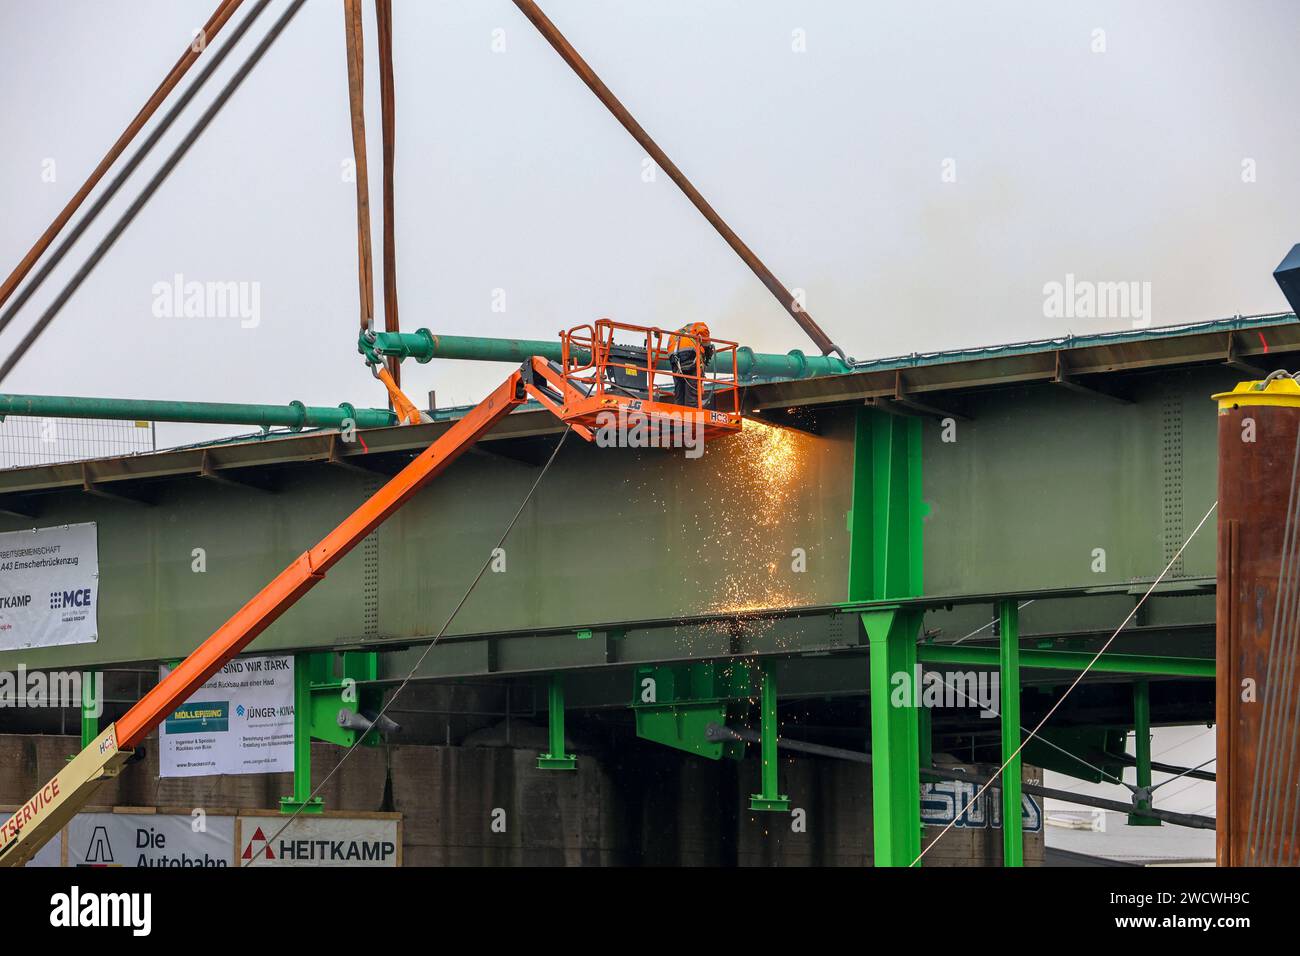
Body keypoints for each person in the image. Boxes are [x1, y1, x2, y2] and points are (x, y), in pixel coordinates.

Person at [667, 321, 714, 407]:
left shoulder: (675, 334)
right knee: (692, 391)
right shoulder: (699, 326)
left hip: (675, 361)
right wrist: (707, 351)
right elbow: (705, 337)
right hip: (690, 357)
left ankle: (679, 411)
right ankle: (691, 413)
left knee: (679, 390)